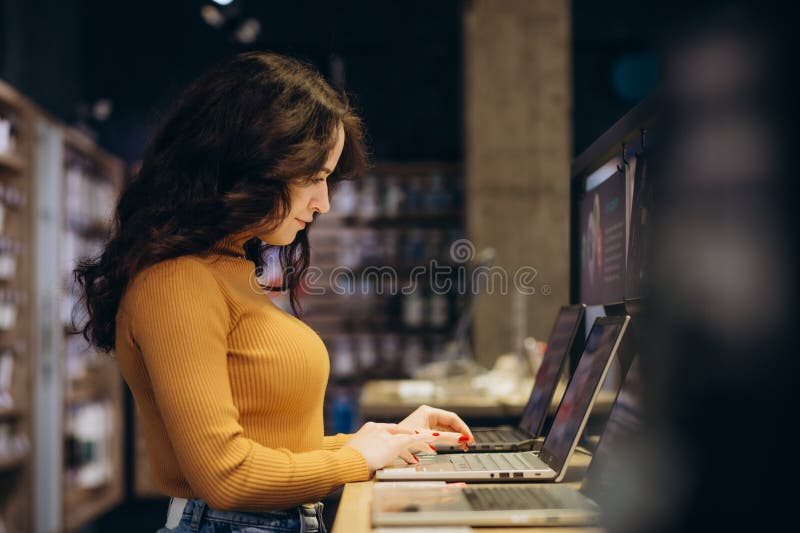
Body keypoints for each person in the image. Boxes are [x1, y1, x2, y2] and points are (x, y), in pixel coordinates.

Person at [74, 51, 475, 533]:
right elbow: (227, 477)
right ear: (253, 163)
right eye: (313, 178)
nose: (322, 202)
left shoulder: (223, 269)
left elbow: (267, 451)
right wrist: (358, 459)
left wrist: (374, 440)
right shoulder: (176, 282)